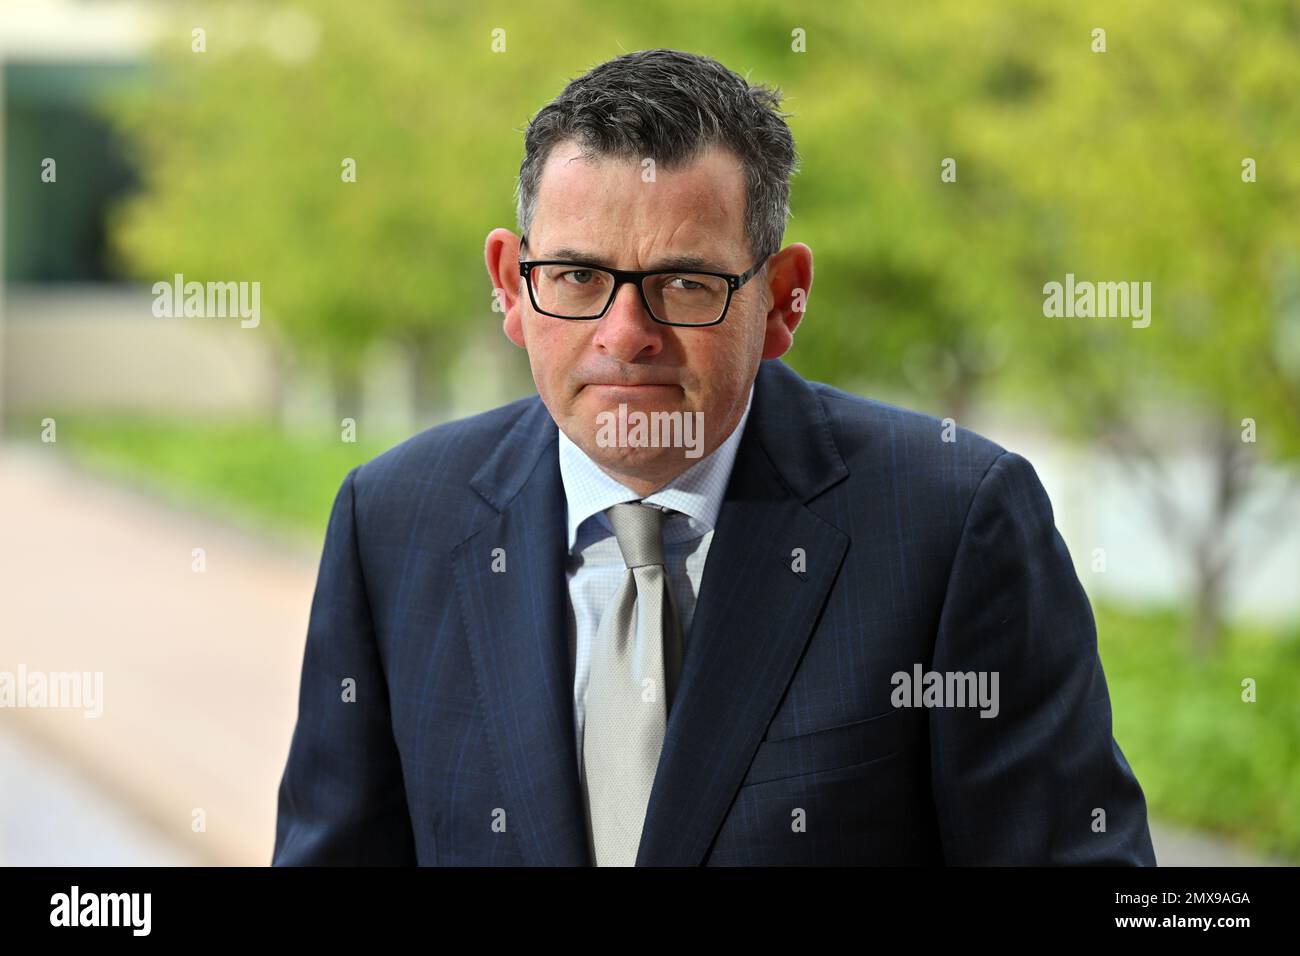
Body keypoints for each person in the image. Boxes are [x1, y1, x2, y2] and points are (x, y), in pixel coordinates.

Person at [272, 48, 1156, 866]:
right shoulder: (392, 521)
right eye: (578, 277)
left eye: (685, 284)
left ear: (781, 301)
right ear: (512, 286)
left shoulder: (954, 524)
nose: (627, 336)